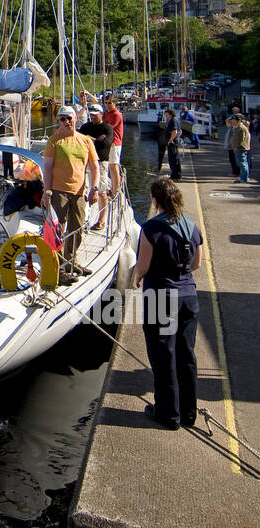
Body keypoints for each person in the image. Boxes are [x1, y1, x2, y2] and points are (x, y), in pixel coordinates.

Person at [130, 177, 202, 430]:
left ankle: (168, 414)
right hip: (188, 298)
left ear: (155, 200)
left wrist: (136, 278)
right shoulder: (192, 227)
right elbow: (196, 264)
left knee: (163, 356)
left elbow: (143, 266)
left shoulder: (151, 229)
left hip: (161, 297)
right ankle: (188, 413)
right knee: (186, 355)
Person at [41, 106, 99, 284]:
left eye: (69, 118)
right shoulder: (54, 141)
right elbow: (48, 168)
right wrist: (47, 190)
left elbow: (94, 167)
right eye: (62, 119)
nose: (66, 122)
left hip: (79, 192)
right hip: (59, 191)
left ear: (75, 119)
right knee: (58, 230)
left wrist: (94, 188)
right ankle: (58, 268)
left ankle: (71, 262)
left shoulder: (85, 141)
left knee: (78, 228)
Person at [77, 104, 113, 231]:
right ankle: (81, 218)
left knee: (102, 192)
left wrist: (90, 140)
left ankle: (101, 221)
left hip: (100, 162)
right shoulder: (85, 127)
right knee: (82, 189)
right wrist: (95, 140)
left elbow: (106, 144)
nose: (92, 116)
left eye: (95, 114)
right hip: (84, 161)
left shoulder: (107, 128)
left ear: (101, 114)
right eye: (91, 114)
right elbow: (78, 140)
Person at [103, 95, 124, 198]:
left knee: (113, 166)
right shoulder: (107, 114)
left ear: (114, 103)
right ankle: (114, 187)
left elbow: (108, 127)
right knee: (111, 166)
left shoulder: (116, 114)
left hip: (115, 143)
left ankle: (116, 189)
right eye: (106, 103)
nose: (107, 105)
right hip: (109, 143)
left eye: (109, 103)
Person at [229, 113, 251, 183]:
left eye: (233, 120)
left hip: (240, 148)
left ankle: (244, 178)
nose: (232, 121)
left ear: (238, 120)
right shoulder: (238, 127)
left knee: (242, 163)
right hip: (240, 147)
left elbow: (241, 139)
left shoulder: (241, 128)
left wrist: (236, 146)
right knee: (242, 163)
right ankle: (243, 177)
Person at [162, 108, 182, 181]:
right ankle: (177, 174)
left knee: (173, 158)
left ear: (170, 114)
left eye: (167, 115)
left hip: (172, 143)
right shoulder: (176, 120)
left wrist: (171, 139)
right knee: (175, 157)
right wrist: (177, 137)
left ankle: (175, 175)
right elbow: (180, 131)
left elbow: (175, 131)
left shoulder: (173, 121)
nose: (166, 117)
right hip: (175, 141)